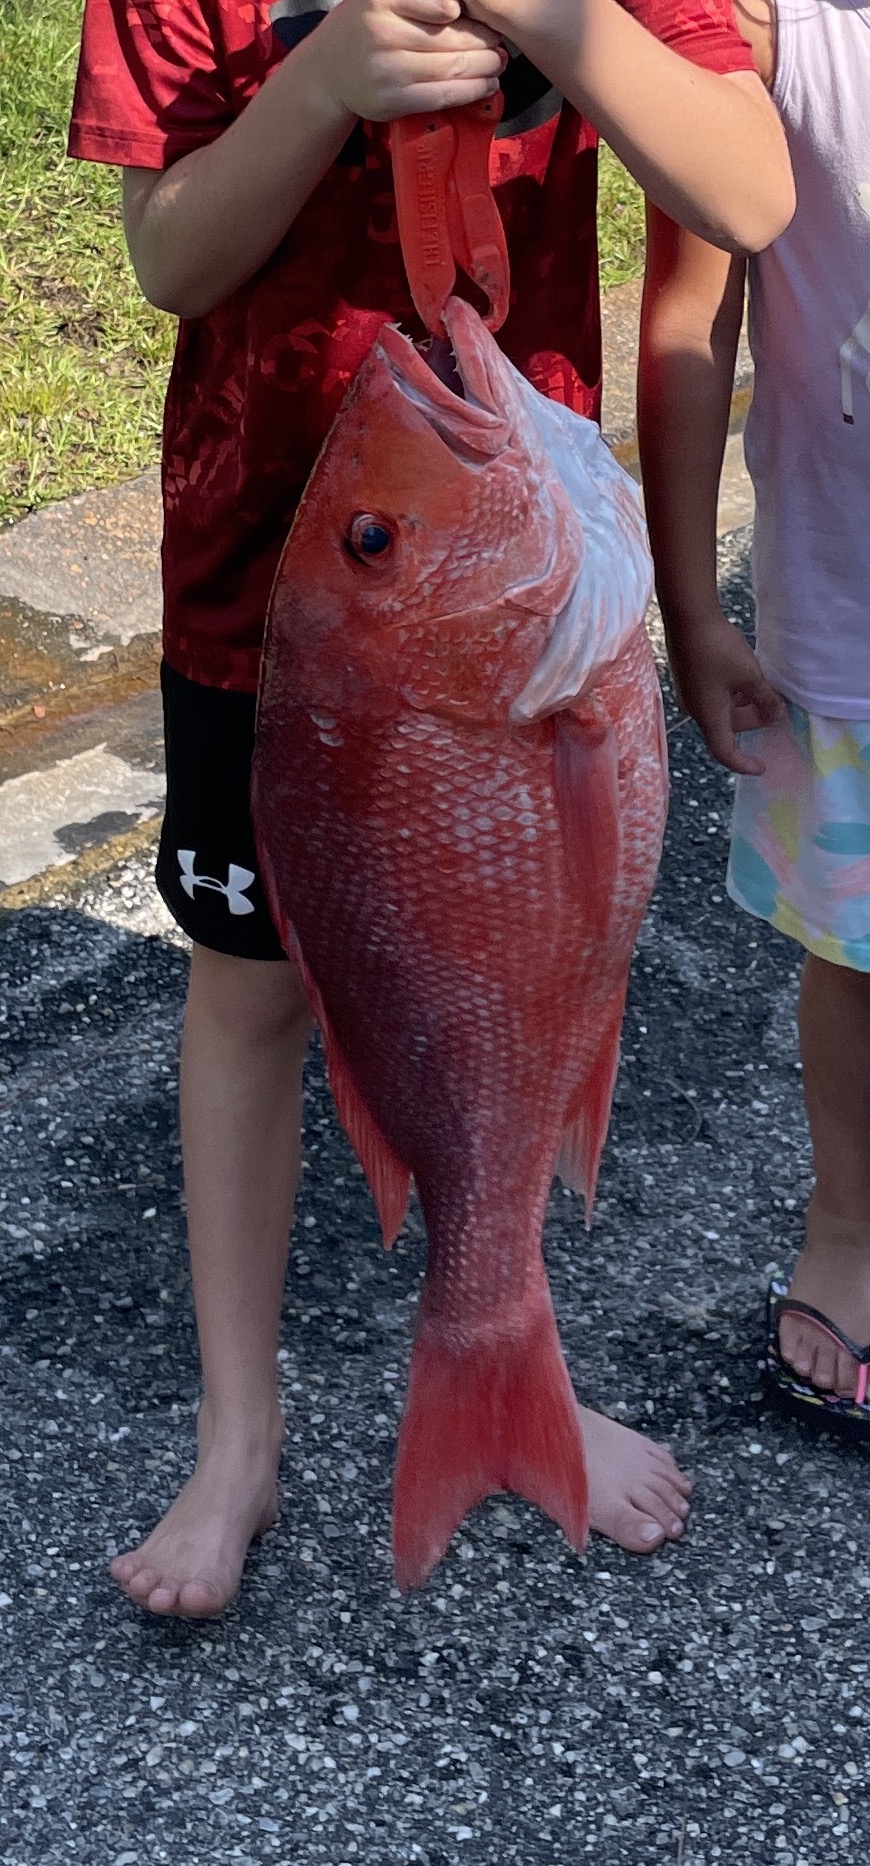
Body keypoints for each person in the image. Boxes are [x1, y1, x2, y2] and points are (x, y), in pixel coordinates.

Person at [68, 0, 793, 1617]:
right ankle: (238, 1436)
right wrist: (321, 82)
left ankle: (513, 1347)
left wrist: (555, 20)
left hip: (507, 593)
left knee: (527, 980)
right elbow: (170, 259)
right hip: (270, 606)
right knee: (245, 994)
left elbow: (745, 191)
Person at [638, 0, 870, 1420]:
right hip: (852, 622)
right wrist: (689, 600)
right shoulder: (770, 33)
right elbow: (688, 314)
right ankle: (848, 1223)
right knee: (858, 956)